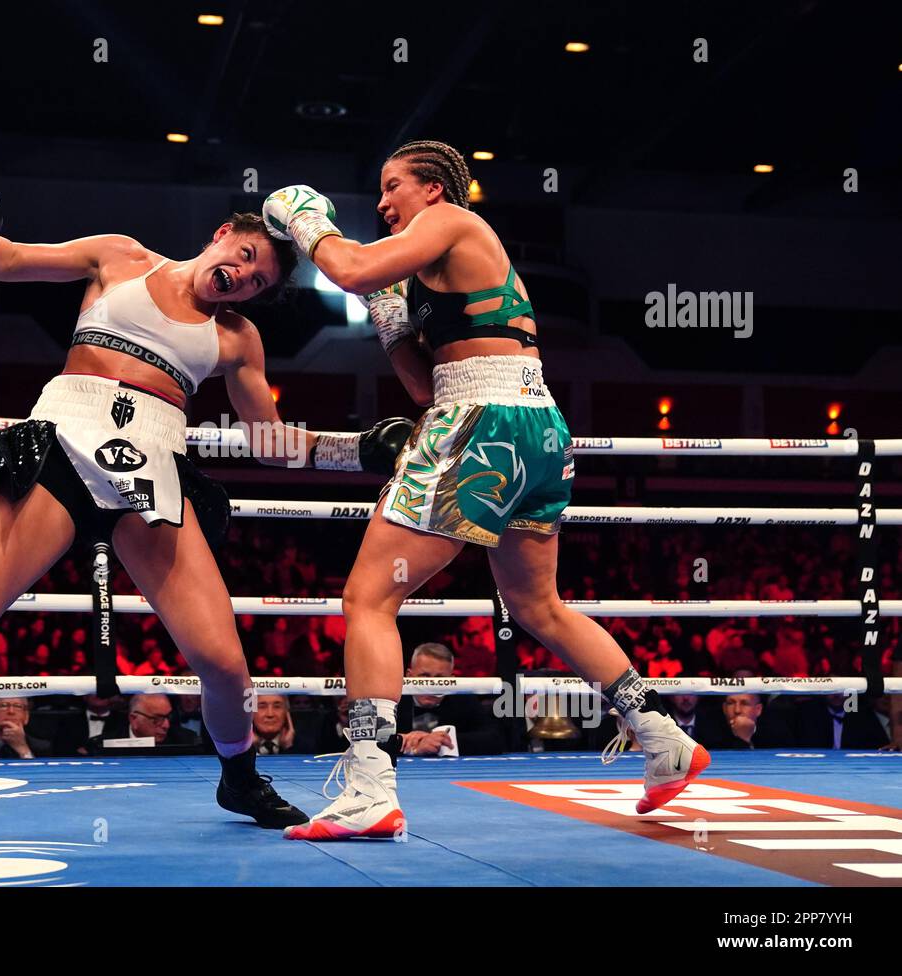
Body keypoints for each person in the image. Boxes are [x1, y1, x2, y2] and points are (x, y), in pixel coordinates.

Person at [0, 188, 410, 852]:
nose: (242, 278)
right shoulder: (120, 258)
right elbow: (8, 260)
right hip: (62, 445)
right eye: (245, 256)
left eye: (258, 281)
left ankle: (239, 778)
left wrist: (354, 452)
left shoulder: (238, 338)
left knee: (224, 662)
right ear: (219, 236)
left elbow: (269, 440)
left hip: (152, 470)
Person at [264, 142, 709, 840]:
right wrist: (391, 325)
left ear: (436, 188)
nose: (383, 203)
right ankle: (663, 736)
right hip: (535, 426)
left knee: (368, 598)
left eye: (393, 187)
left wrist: (305, 216)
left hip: (482, 422)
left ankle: (370, 787)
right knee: (538, 605)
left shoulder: (454, 223)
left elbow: (347, 266)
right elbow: (423, 386)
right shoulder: (438, 263)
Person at [396, 642, 503, 755]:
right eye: (424, 677)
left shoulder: (463, 699)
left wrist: (441, 740)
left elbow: (495, 739)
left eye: (440, 679)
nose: (431, 686)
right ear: (409, 676)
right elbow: (377, 741)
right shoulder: (392, 700)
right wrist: (402, 742)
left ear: (452, 681)